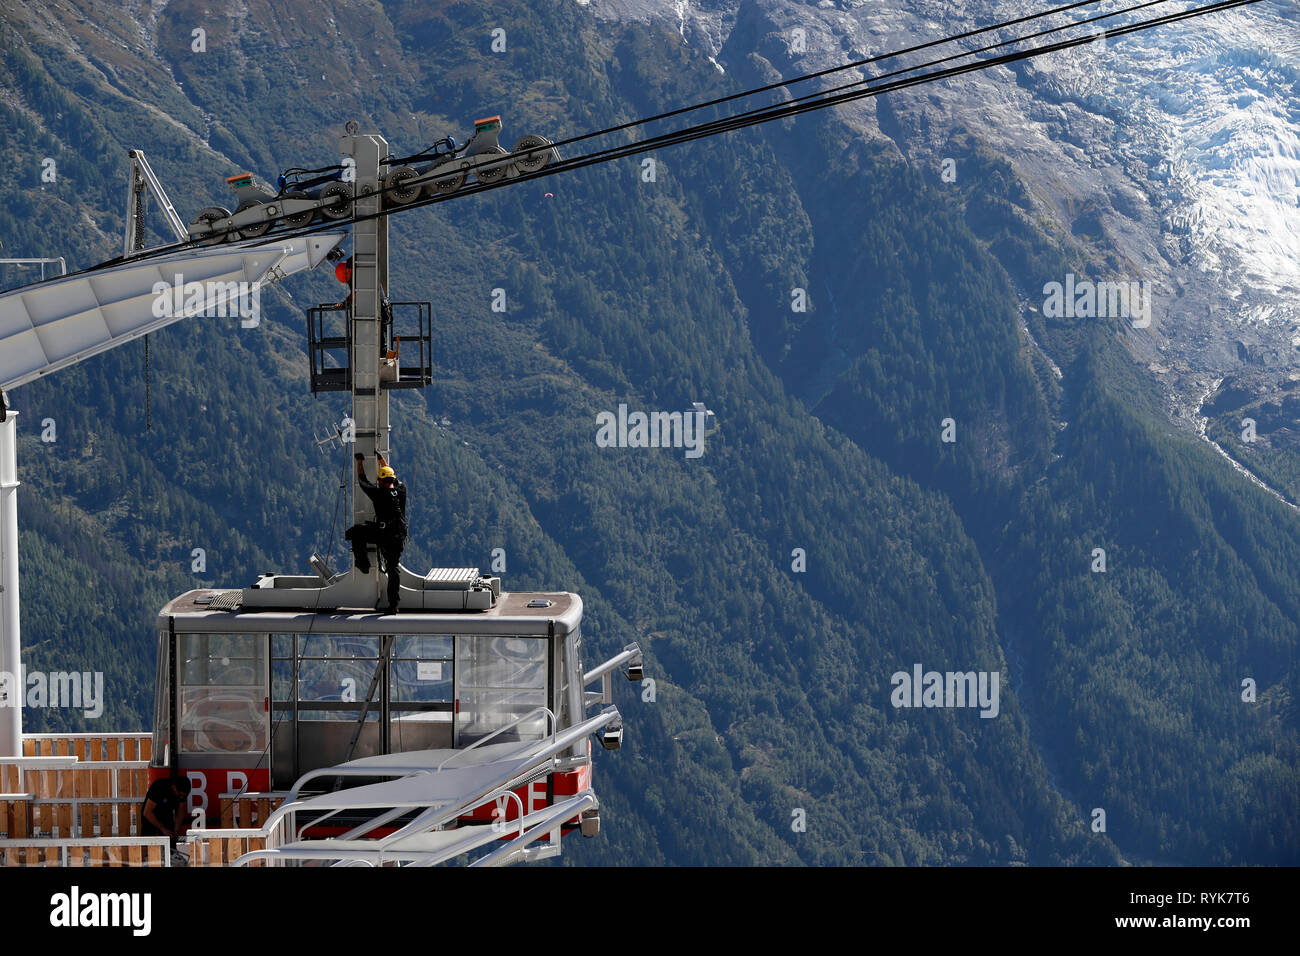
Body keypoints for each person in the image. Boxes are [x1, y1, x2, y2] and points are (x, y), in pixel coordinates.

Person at [345, 451, 408, 611]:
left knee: (355, 532)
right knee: (393, 568)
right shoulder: (401, 490)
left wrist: (360, 461)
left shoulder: (378, 493)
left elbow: (362, 480)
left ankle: (363, 564)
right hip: (398, 536)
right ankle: (394, 605)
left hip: (383, 534)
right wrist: (382, 460)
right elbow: (390, 473)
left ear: (380, 481)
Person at [140, 775, 192, 847]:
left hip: (167, 814)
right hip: (151, 816)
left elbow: (181, 809)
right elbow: (147, 812)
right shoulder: (159, 787)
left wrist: (176, 829)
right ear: (174, 788)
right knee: (148, 843)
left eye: (184, 796)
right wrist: (162, 829)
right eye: (180, 795)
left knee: (171, 838)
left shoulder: (181, 795)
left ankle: (171, 855)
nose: (181, 797)